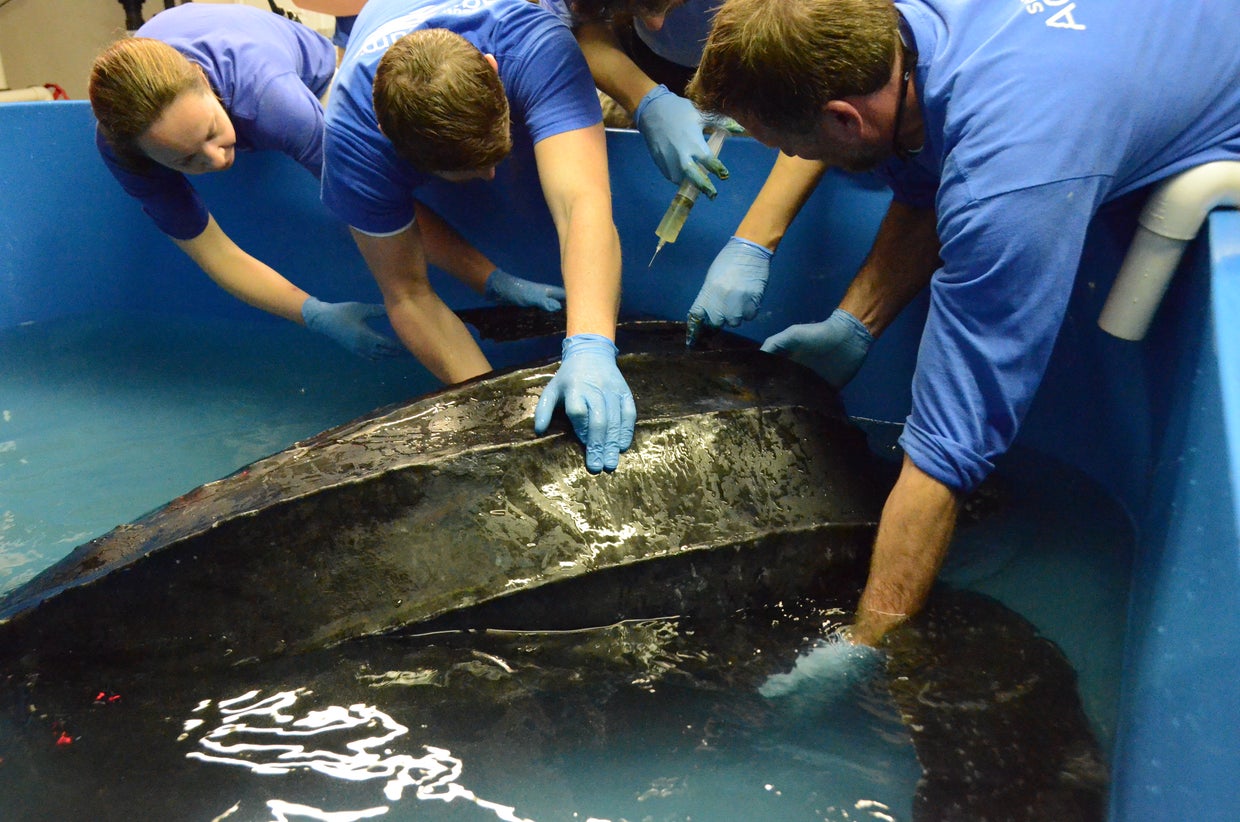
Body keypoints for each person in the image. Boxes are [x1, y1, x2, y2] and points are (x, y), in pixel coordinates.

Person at [687, 0, 1240, 646]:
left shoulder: (1014, 173)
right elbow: (928, 170)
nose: (788, 155)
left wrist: (867, 641)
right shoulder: (896, 37)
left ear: (844, 118)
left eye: (788, 145)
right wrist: (856, 323)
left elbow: (949, 448)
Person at [90, 3, 561, 362]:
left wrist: (488, 277)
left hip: (318, 71)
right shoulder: (121, 149)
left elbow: (378, 205)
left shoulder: (275, 102)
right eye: (187, 158)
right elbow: (216, 255)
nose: (218, 160)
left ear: (204, 81)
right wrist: (312, 313)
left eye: (213, 133)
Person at [321, 0, 635, 473]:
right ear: (386, 132)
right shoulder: (352, 136)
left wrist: (591, 343)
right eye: (469, 170)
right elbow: (407, 295)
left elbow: (582, 205)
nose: (491, 176)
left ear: (492, 68)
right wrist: (498, 421)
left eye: (496, 151)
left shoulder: (536, 43)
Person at [539, 0, 737, 198]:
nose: (655, 24)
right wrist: (645, 99)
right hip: (642, 55)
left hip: (739, 59)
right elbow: (577, 26)